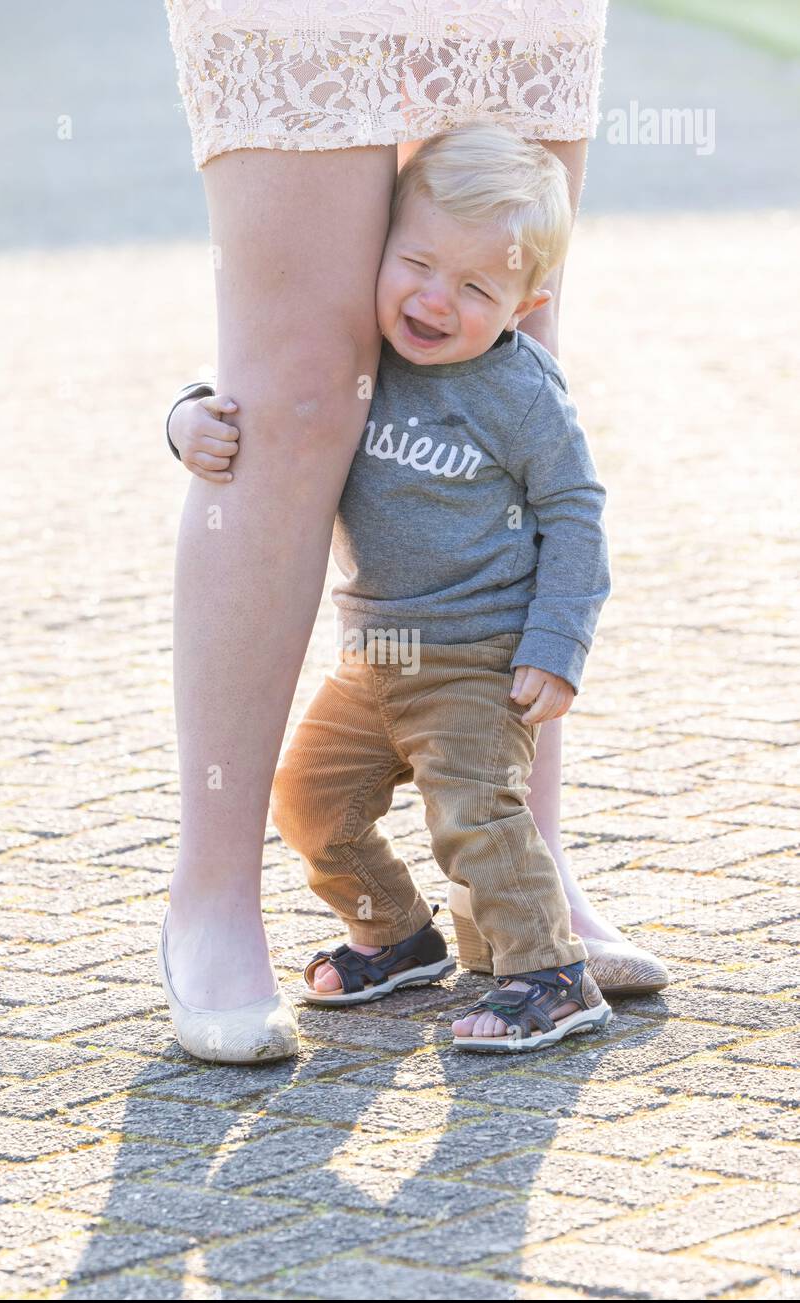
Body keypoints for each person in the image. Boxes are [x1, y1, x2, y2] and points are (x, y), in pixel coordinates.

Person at [160, 0, 666, 1065]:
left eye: (464, 287)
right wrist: (179, 418)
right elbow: (237, 406)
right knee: (292, 386)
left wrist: (558, 640)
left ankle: (525, 897)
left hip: (475, 651)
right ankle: (213, 898)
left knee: (515, 360)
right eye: (420, 272)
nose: (435, 299)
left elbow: (571, 503)